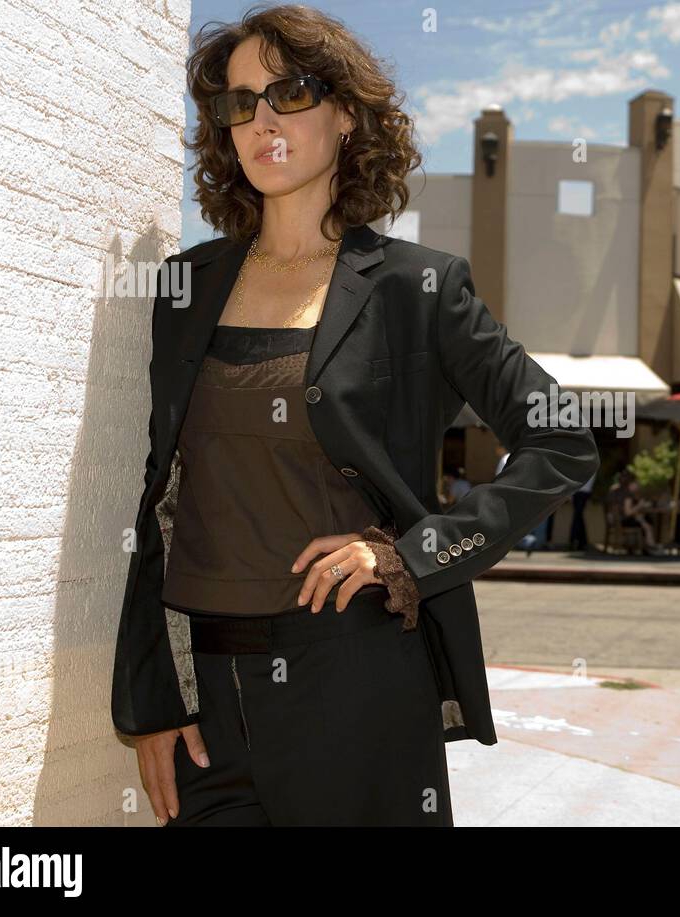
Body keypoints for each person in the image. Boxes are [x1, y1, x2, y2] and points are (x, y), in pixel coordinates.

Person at [111, 6, 600, 827]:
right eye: (239, 103)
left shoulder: (420, 289)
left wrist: (415, 552)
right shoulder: (183, 286)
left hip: (358, 686)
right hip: (208, 709)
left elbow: (561, 438)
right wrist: (152, 695)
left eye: (289, 92)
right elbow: (160, 496)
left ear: (345, 114)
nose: (261, 119)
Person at [618, 472, 658, 553]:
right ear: (630, 484)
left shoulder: (633, 495)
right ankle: (649, 545)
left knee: (647, 519)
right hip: (625, 520)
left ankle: (648, 545)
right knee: (645, 520)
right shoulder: (628, 496)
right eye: (636, 483)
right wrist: (639, 506)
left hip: (631, 519)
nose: (638, 485)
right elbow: (627, 513)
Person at [569, 468, 596, 551]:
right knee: (579, 517)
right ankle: (582, 542)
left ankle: (573, 540)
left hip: (583, 492)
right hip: (578, 492)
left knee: (577, 516)